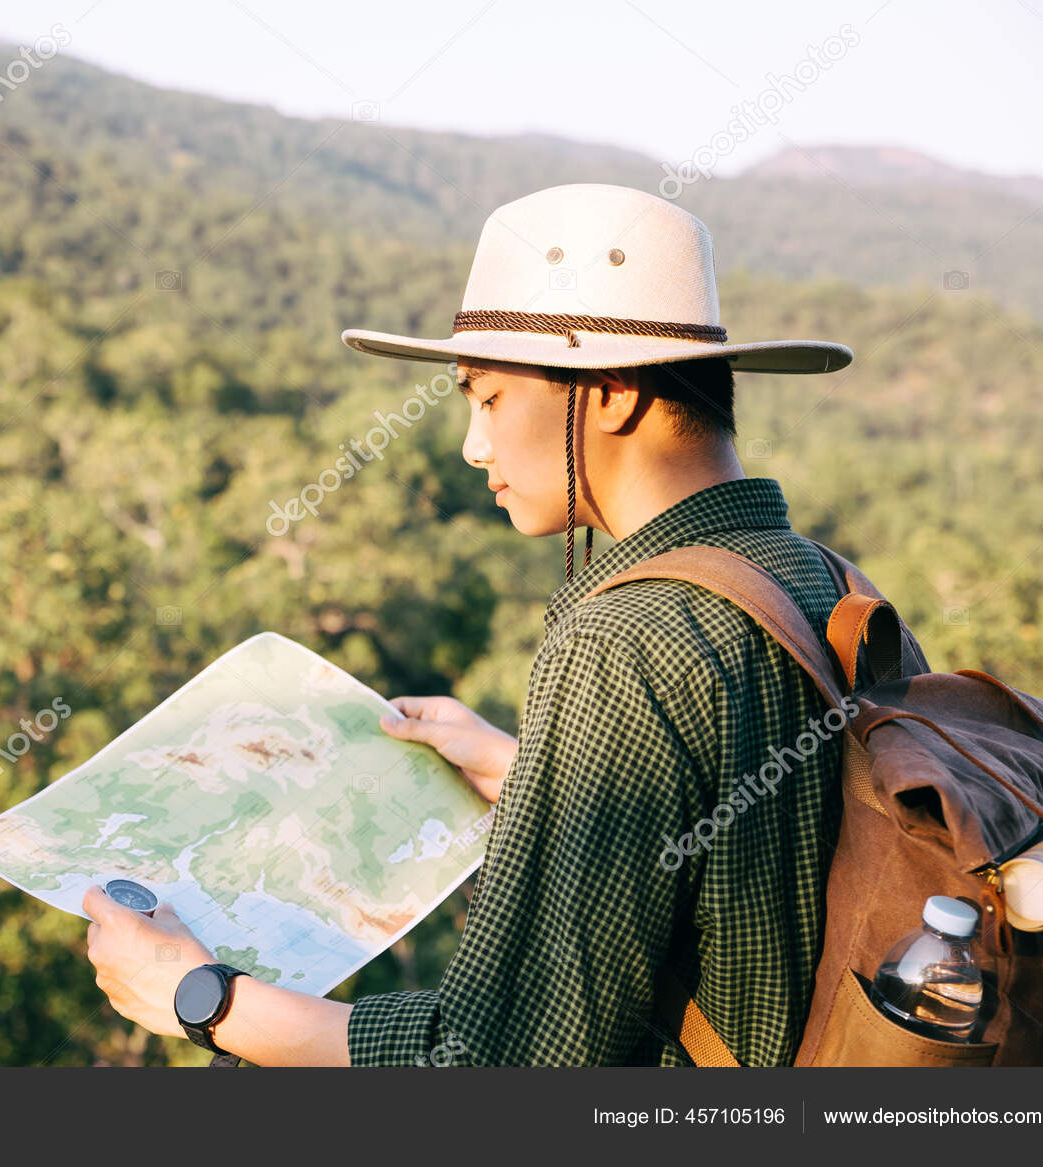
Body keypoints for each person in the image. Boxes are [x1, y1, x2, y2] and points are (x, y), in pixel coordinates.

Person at [84, 183, 859, 1065]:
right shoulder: (823, 584)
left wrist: (206, 999)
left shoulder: (627, 640)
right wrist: (530, 772)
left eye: (485, 396)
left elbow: (505, 1061)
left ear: (607, 394)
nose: (472, 445)